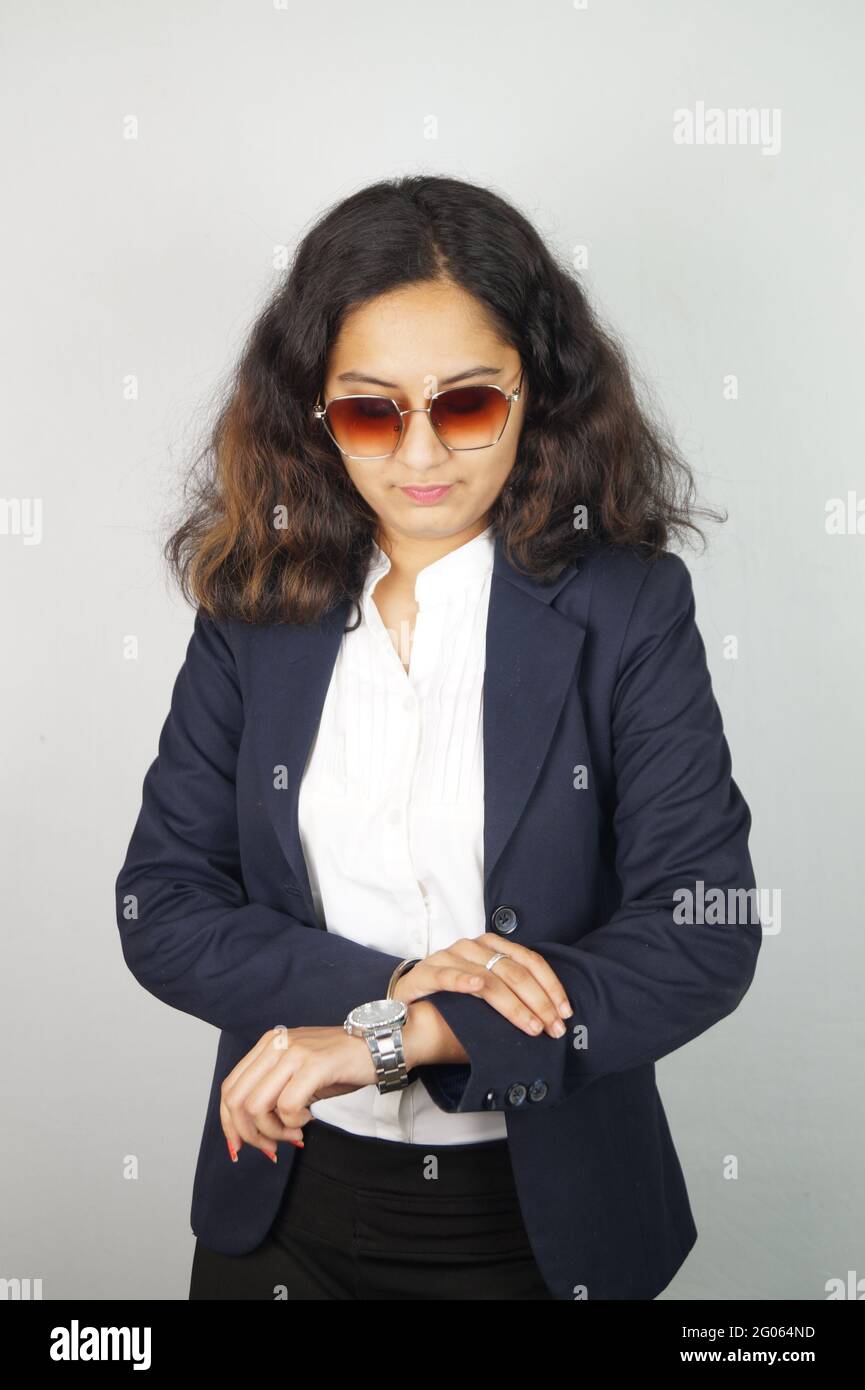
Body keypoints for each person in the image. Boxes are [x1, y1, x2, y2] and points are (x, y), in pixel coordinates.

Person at [114, 173, 762, 1301]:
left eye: (465, 405)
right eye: (372, 410)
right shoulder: (253, 609)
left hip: (544, 1227)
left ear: (536, 395)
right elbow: (164, 905)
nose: (421, 456)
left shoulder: (628, 608)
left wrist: (398, 1036)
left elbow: (699, 934)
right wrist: (404, 982)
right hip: (286, 1203)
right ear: (314, 413)